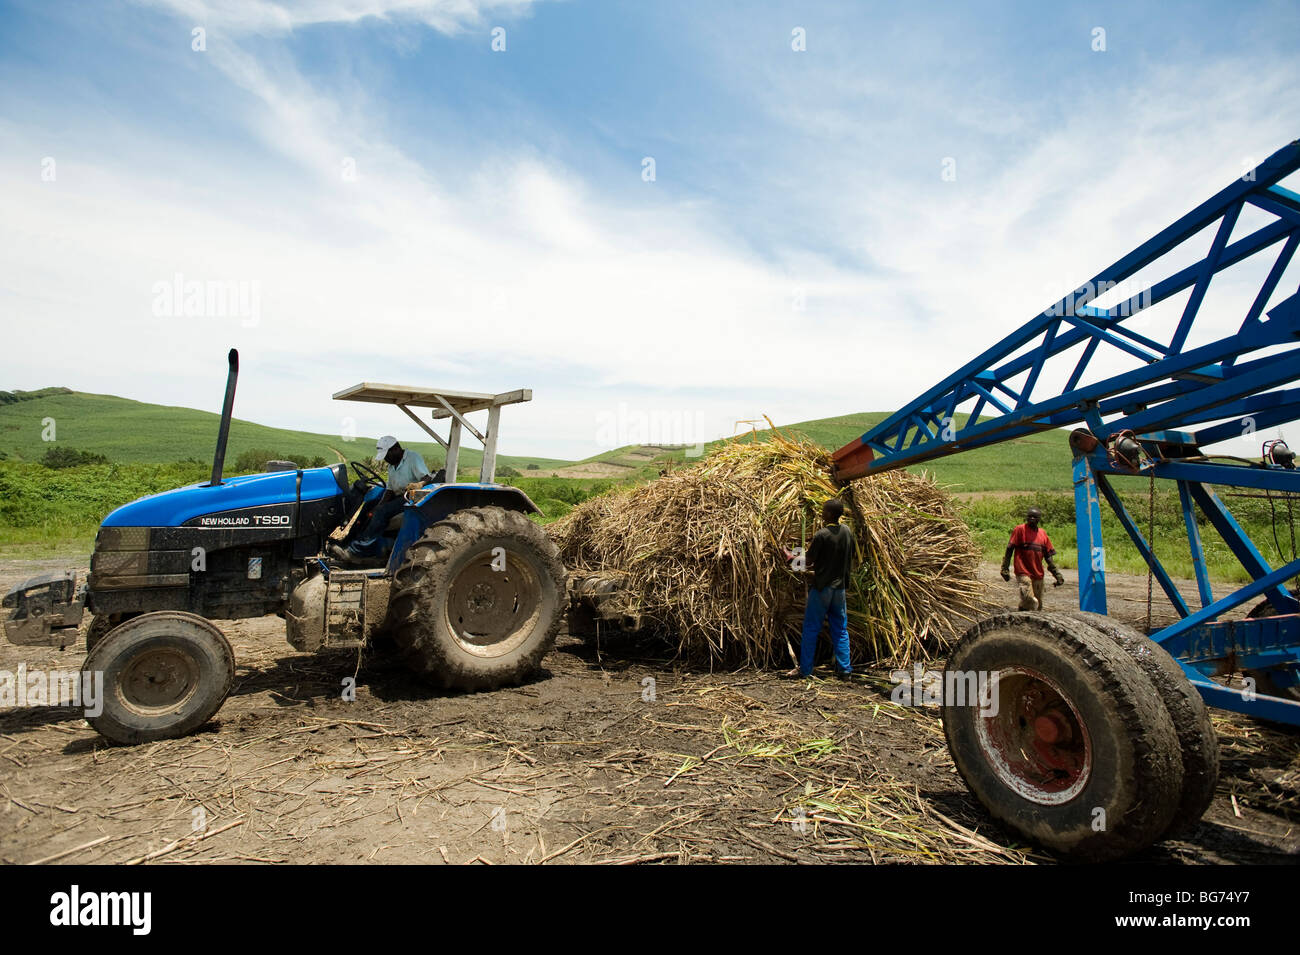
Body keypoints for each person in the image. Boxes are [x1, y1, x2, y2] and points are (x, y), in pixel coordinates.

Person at [331, 436, 436, 564]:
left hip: (412, 498)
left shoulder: (412, 458)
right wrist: (378, 506)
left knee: (382, 511)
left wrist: (419, 484)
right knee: (368, 507)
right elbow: (390, 490)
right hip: (398, 497)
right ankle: (348, 543)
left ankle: (357, 551)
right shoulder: (392, 466)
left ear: (396, 449)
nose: (386, 459)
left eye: (387, 455)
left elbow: (427, 477)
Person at [783, 499, 856, 679]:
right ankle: (845, 669)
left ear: (830, 514)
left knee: (811, 628)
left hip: (823, 588)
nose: (822, 513)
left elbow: (808, 561)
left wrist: (791, 557)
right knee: (840, 629)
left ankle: (805, 669)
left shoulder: (822, 535)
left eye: (824, 511)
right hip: (840, 590)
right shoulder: (847, 532)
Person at [1001, 507, 1064, 610]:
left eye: (1034, 517)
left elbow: (1048, 556)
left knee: (1038, 605)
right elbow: (1009, 549)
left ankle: (1022, 615)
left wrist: (1057, 574)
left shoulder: (1043, 534)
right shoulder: (1020, 530)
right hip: (1023, 571)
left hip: (1037, 574)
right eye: (1029, 516)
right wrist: (1005, 568)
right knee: (1030, 598)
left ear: (1039, 519)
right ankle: (1023, 610)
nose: (1031, 519)